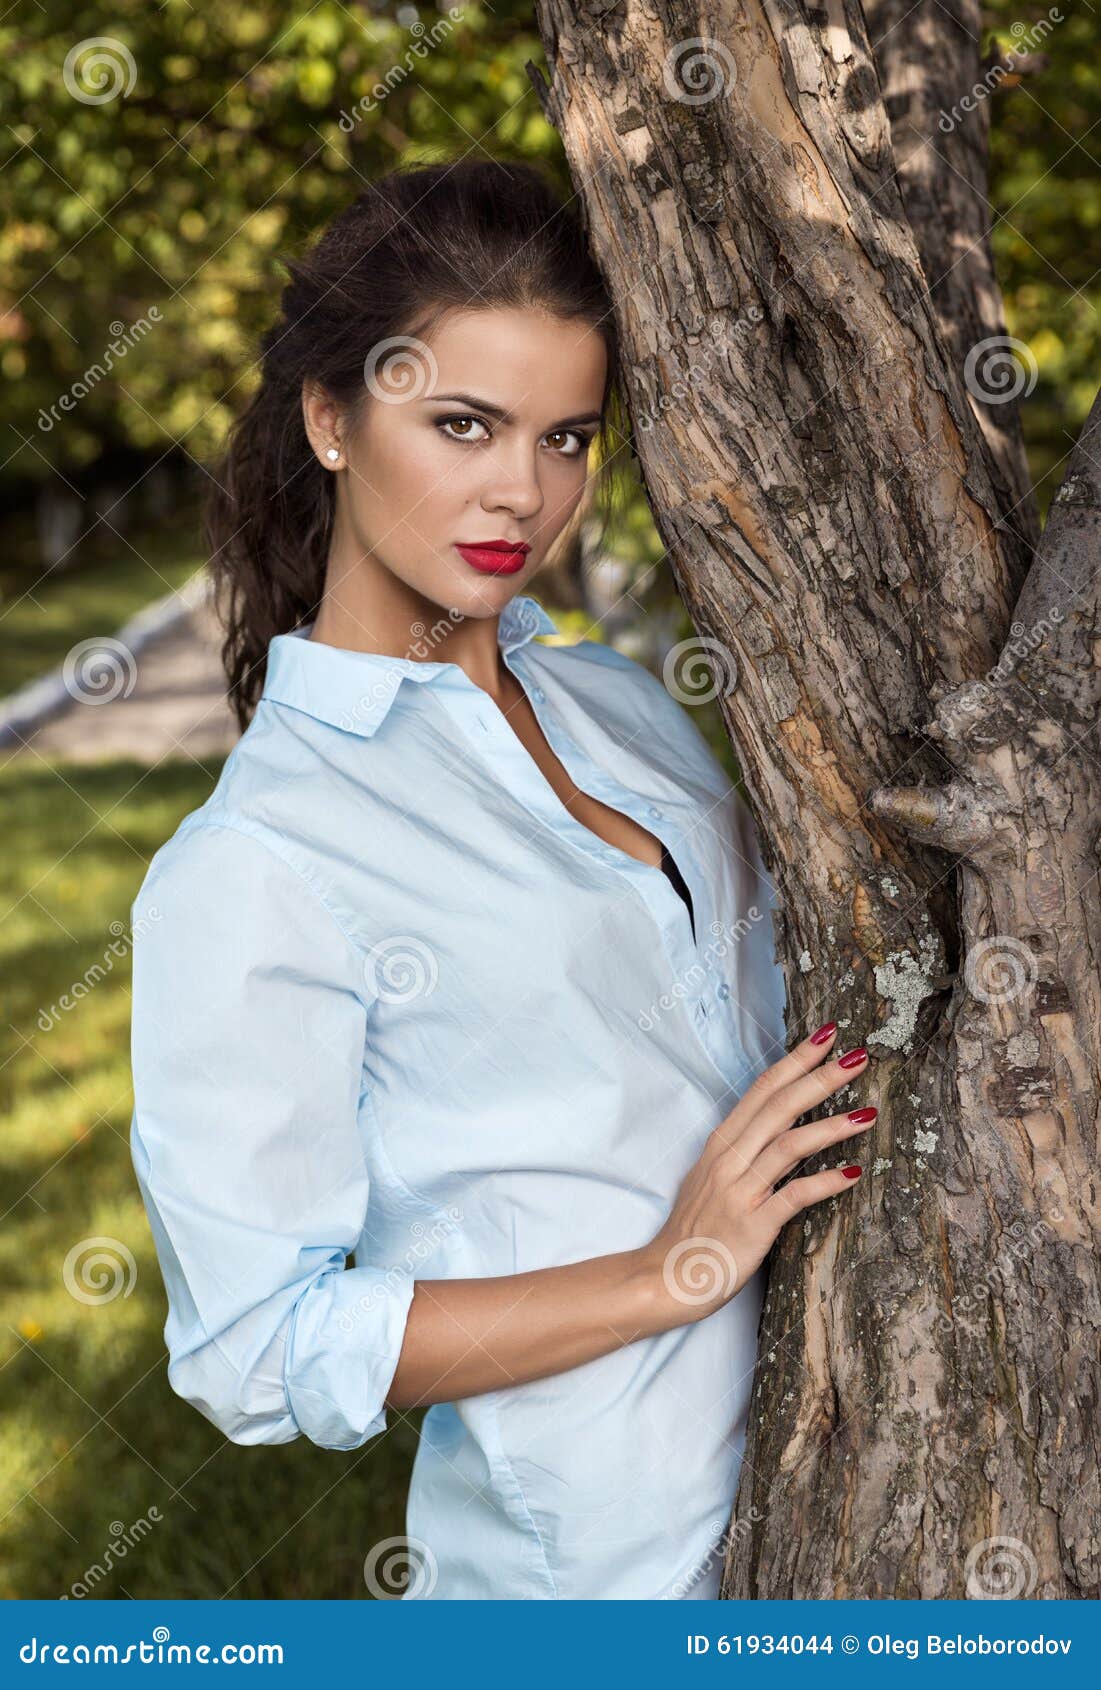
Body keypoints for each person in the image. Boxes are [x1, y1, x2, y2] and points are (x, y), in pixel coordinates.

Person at [128, 157, 874, 1601]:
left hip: (843, 1477)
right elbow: (254, 1346)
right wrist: (676, 1268)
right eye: (461, 425)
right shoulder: (260, 857)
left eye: (566, 438)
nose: (520, 493)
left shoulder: (626, 707)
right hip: (597, 1578)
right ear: (330, 418)